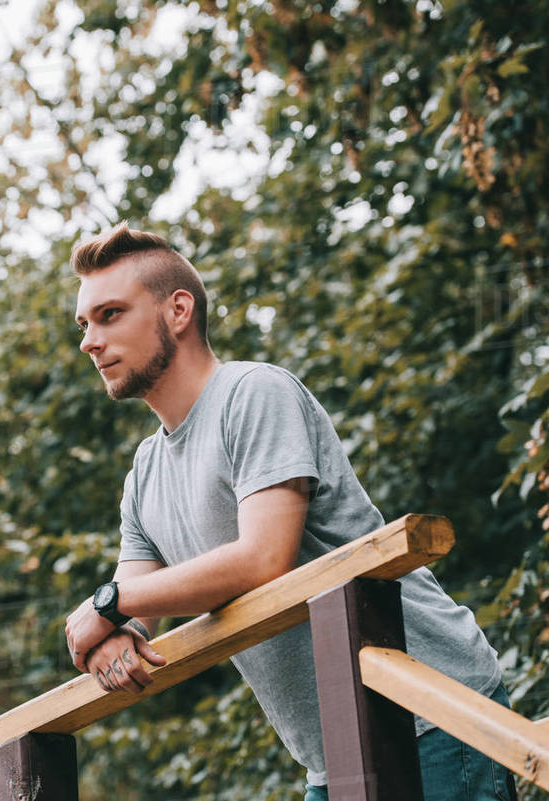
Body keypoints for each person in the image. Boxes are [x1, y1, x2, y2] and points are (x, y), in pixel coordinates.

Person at [61, 222, 513, 801]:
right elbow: (135, 606)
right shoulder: (145, 473)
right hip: (333, 756)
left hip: (431, 713)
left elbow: (263, 558)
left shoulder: (253, 393)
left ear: (178, 311)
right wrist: (113, 634)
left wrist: (109, 605)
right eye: (84, 324)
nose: (90, 341)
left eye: (110, 315)